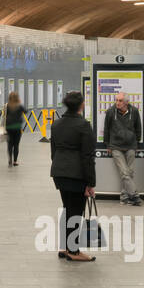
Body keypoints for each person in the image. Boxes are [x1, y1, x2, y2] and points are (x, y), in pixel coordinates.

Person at [50, 91, 96, 262]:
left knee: (68, 208)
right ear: (81, 105)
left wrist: (59, 166)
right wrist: (91, 182)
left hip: (59, 171)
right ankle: (74, 251)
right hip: (77, 173)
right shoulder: (84, 126)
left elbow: (53, 151)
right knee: (76, 211)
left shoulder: (56, 124)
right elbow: (88, 156)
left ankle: (65, 246)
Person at [103, 91, 143, 206]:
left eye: (120, 101)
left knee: (130, 172)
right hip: (116, 146)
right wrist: (107, 144)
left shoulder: (134, 111)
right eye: (116, 100)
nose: (117, 103)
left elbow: (138, 128)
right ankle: (134, 195)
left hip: (131, 145)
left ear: (126, 102)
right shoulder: (111, 111)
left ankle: (125, 197)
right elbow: (106, 128)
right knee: (124, 172)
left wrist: (137, 144)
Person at [3, 92, 25, 167]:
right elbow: (26, 111)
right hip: (17, 127)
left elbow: (4, 114)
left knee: (9, 144)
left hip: (9, 127)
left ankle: (10, 160)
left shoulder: (7, 106)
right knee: (16, 145)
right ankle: (15, 161)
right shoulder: (20, 106)